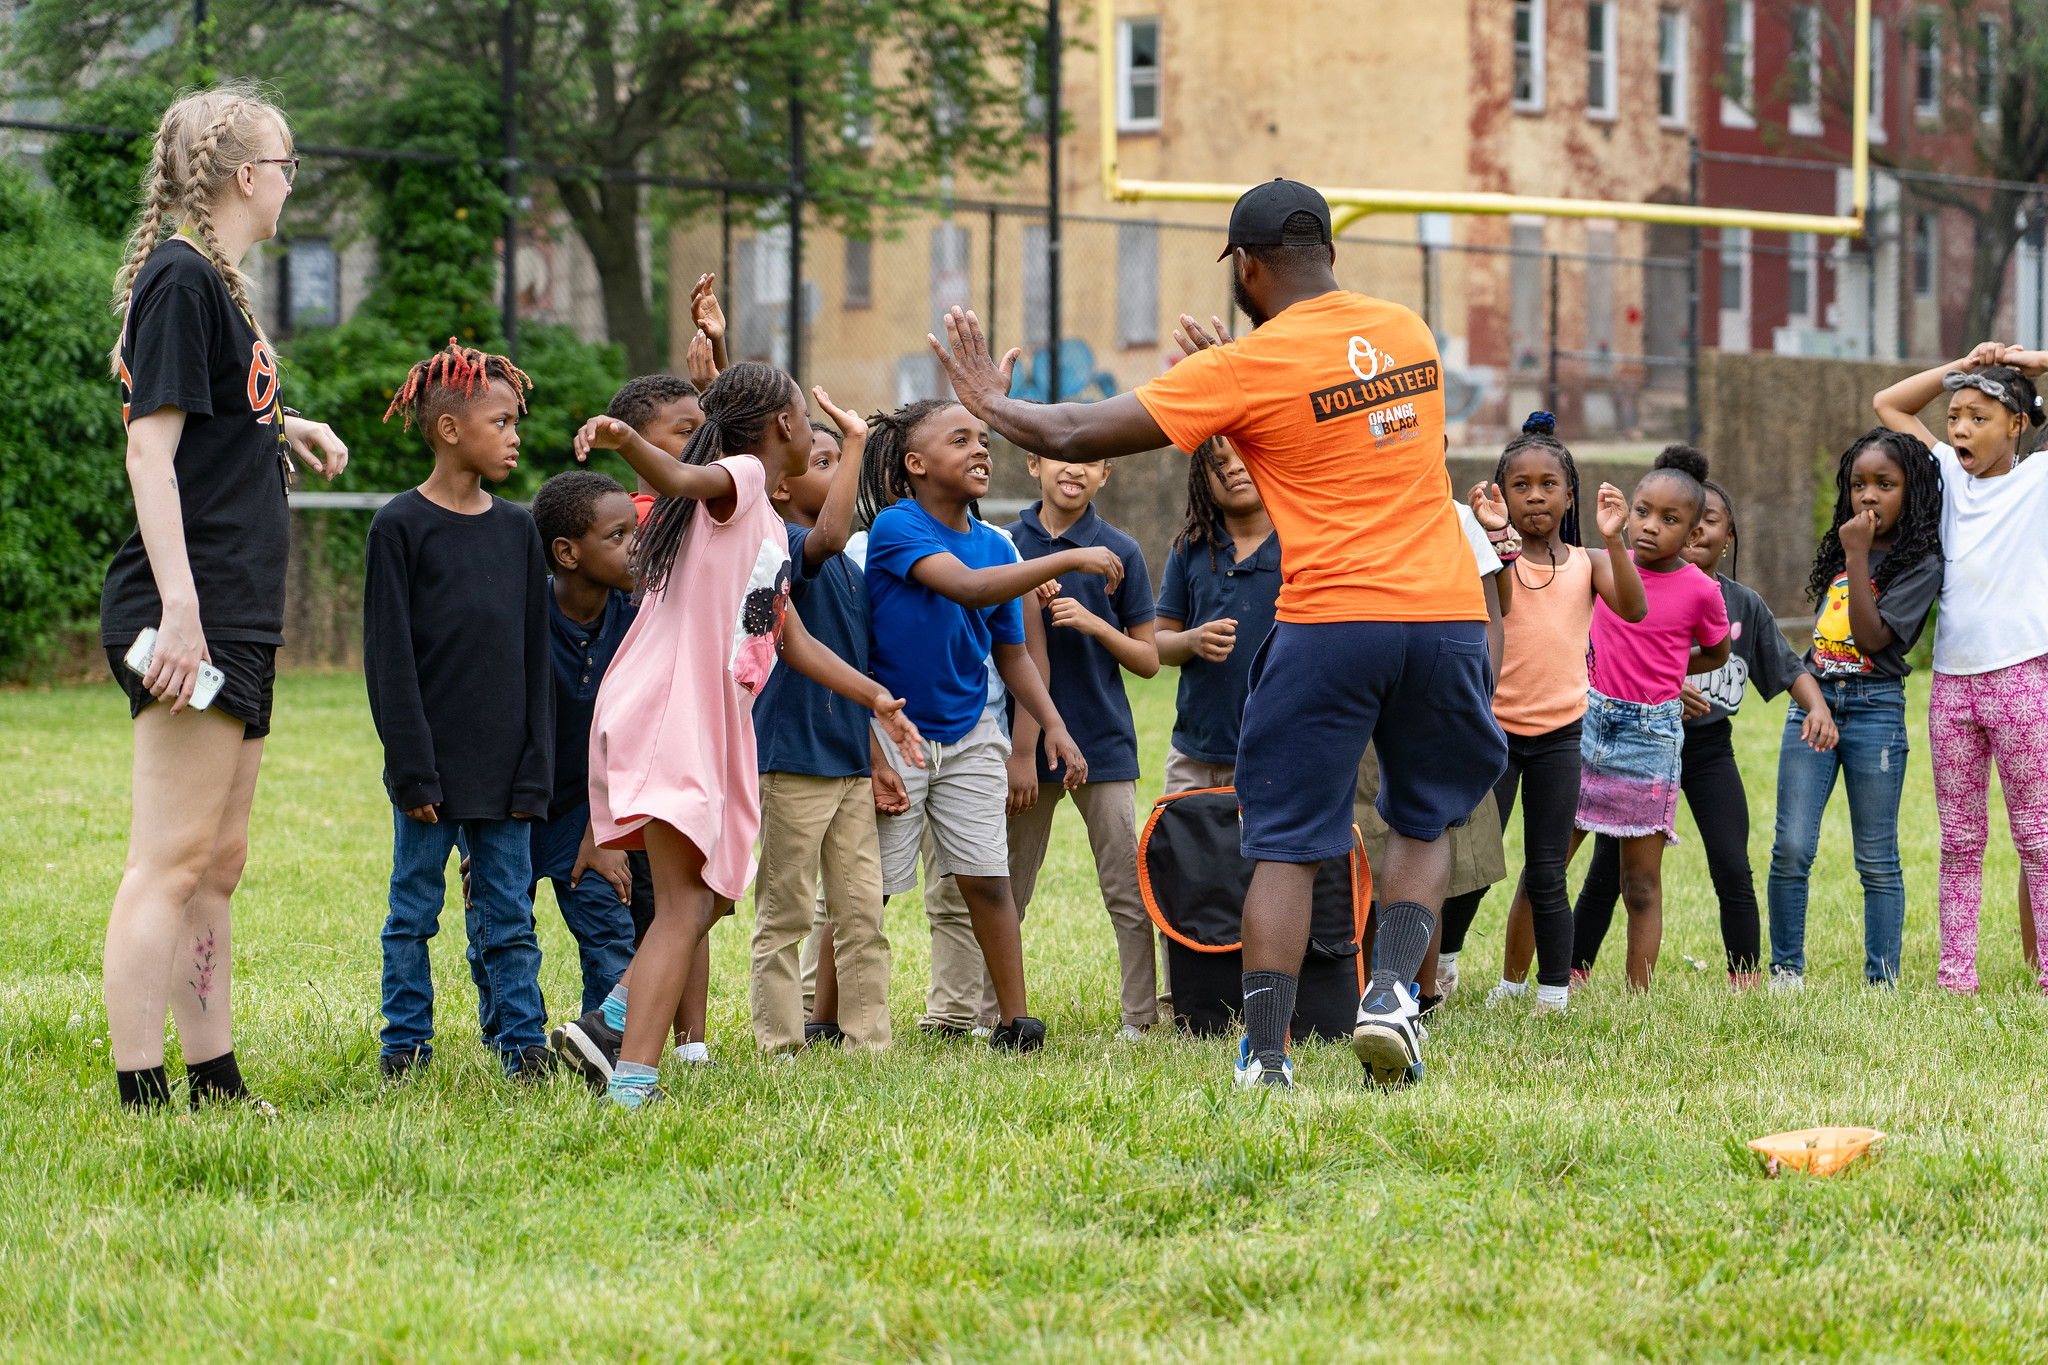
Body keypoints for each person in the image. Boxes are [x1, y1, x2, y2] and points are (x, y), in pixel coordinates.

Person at [926, 178, 1507, 1089]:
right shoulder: (1408, 331)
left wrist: (989, 405)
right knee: (1424, 815)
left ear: (1247, 264)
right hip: (1445, 613)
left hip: (1333, 618)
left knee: (1283, 839)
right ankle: (1392, 992)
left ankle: (1267, 1054)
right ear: (1327, 251)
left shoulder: (1247, 367)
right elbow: (1329, 403)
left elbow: (1080, 429)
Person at [561, 365, 921, 1108]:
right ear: (784, 427)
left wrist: (875, 695)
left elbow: (788, 639)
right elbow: (681, 477)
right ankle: (631, 1082)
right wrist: (625, 437)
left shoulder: (762, 528)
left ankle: (612, 1024)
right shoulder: (746, 479)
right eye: (799, 409)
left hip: (699, 715)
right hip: (675, 710)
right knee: (687, 905)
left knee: (713, 893)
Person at [99, 84, 349, 1111]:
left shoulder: (216, 284)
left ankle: (213, 1075)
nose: (292, 184)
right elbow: (148, 452)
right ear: (247, 176)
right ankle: (141, 1090)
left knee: (218, 860)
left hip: (237, 603)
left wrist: (283, 427)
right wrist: (181, 608)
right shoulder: (179, 279)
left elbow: (204, 422)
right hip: (190, 608)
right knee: (167, 859)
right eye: (288, 167)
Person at [856, 397, 1114, 1052]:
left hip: (971, 732)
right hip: (898, 731)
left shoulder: (994, 543)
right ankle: (827, 1017)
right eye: (960, 439)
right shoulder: (897, 527)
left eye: (984, 440)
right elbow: (969, 589)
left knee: (986, 877)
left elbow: (1012, 652)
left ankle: (1015, 1021)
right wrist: (1068, 560)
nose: (980, 449)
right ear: (915, 464)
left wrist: (1053, 726)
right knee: (871, 890)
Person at [364, 341, 556, 1079]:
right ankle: (404, 1047)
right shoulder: (398, 527)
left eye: (516, 422)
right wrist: (413, 771)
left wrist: (536, 763)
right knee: (413, 916)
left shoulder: (518, 531)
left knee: (509, 917)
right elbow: (390, 660)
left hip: (507, 772)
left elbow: (535, 658)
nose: (514, 435)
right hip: (430, 776)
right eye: (501, 420)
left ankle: (521, 1043)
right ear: (450, 429)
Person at [1574, 448, 1815, 990]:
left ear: (1723, 538)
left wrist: (1815, 704)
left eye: (1708, 522)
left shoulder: (1730, 600)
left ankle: (1745, 976)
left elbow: (1767, 661)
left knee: (1731, 861)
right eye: (1648, 513)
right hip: (1631, 736)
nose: (1697, 530)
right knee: (1606, 874)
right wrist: (1661, 682)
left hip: (1705, 748)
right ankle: (1575, 966)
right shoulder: (1620, 573)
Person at [1873, 349, 2048, 992]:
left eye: (1980, 416)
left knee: (2038, 839)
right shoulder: (1945, 473)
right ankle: (1956, 976)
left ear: (2018, 425)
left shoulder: (2040, 480)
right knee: (1960, 842)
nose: (1961, 429)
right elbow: (1889, 406)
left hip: (2024, 677)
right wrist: (1963, 365)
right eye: (1954, 416)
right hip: (1951, 685)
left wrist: (2033, 362)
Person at [1472, 415, 1644, 1012]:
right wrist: (1495, 543)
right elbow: (1496, 602)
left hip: (1559, 737)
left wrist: (1617, 538)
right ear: (1500, 495)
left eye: (1549, 484)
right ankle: (1438, 969)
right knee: (1472, 863)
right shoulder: (1494, 560)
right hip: (1492, 733)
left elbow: (1634, 607)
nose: (1535, 496)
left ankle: (1552, 994)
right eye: (1521, 485)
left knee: (1547, 871)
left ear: (1570, 494)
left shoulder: (1589, 563)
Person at [1760, 428, 1941, 990]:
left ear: (1910, 494)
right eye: (1858, 484)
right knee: (1791, 847)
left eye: (1885, 485)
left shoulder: (1921, 562)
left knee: (1877, 857)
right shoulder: (1844, 551)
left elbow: (1868, 638)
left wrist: (1859, 555)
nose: (1869, 496)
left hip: (1875, 711)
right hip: (1815, 708)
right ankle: (1786, 971)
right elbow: (1826, 641)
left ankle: (1881, 980)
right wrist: (1853, 554)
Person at [1003, 449, 1162, 1039]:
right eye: (1059, 460)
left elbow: (1148, 659)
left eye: (1090, 462)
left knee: (1127, 888)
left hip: (1104, 743)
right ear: (1033, 466)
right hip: (1022, 741)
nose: (1074, 470)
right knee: (1006, 889)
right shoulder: (1003, 543)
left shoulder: (1120, 551)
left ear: (1105, 475)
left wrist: (1095, 623)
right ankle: (998, 1012)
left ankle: (1140, 1019)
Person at [747, 418, 893, 1052]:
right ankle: (780, 1044)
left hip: (848, 766)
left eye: (838, 458)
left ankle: (870, 1042)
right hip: (792, 759)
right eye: (820, 461)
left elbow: (854, 674)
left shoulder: (853, 577)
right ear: (780, 485)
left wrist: (875, 756)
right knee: (785, 913)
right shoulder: (783, 546)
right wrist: (856, 440)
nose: (833, 469)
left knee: (861, 913)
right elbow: (827, 529)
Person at [1567, 466, 1731, 992]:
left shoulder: (1701, 591)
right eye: (1643, 512)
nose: (1651, 526)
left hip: (1651, 738)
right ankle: (1525, 983)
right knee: (1548, 867)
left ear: (1692, 534)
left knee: (1639, 884)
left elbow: (1718, 651)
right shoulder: (1599, 567)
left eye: (1670, 519)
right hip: (1586, 722)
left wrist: (1668, 673)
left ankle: (1638, 995)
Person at [1365, 489, 1517, 1015]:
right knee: (1368, 851)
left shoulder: (1455, 520)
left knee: (1423, 831)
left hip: (1434, 698)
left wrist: (1480, 689)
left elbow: (1492, 614)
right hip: (1364, 703)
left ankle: (1416, 990)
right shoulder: (1350, 508)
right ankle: (1356, 985)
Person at [516, 472, 640, 1040]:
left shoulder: (638, 620)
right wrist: (480, 831)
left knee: (610, 930)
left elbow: (634, 737)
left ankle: (597, 1040)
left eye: (635, 532)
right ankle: (516, 1044)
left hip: (589, 811)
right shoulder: (520, 614)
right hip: (514, 804)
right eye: (618, 535)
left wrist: (602, 829)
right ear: (566, 553)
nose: (634, 546)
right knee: (500, 928)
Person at [1154, 437, 1279, 796]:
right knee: (1186, 850)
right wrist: (1192, 640)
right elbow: (1160, 644)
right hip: (1193, 754)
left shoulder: (1296, 548)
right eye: (1220, 463)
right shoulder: (1189, 550)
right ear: (1203, 479)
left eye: (1245, 456)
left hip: (1272, 751)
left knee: (1262, 852)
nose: (1235, 467)